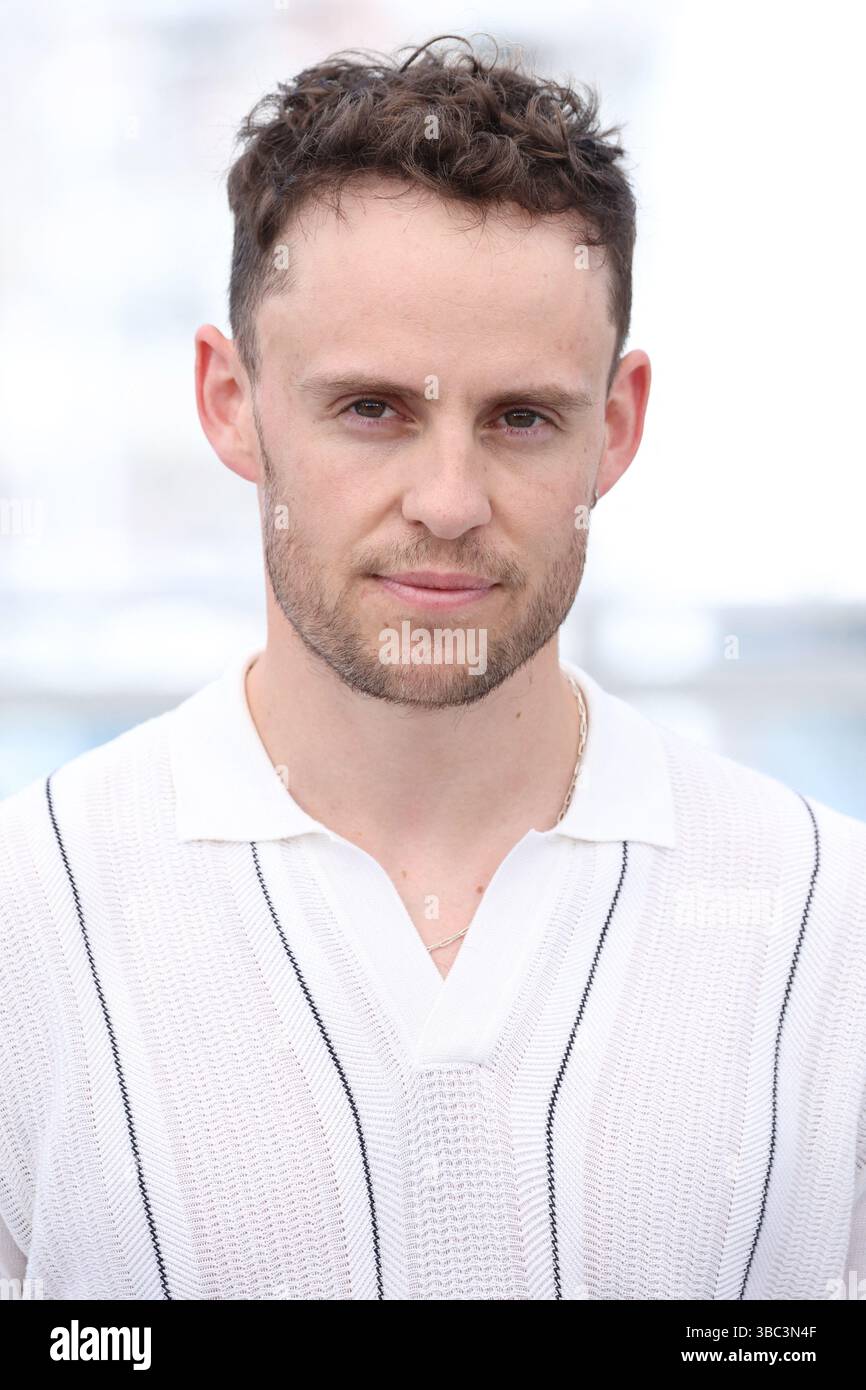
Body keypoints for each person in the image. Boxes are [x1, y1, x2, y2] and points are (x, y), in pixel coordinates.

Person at [1, 34, 864, 1302]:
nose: (449, 501)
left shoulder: (827, 928)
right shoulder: (30, 925)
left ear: (614, 427)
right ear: (230, 401)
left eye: (520, 417)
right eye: (371, 409)